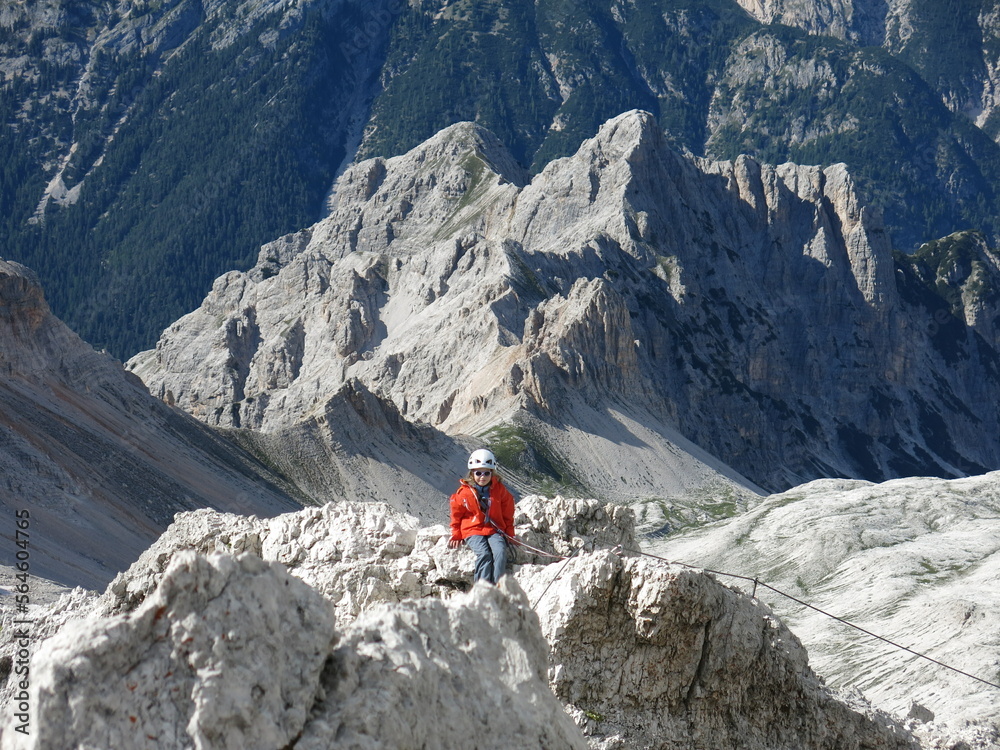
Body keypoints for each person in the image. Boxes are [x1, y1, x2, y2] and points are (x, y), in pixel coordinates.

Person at [448, 448, 516, 584]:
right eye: (478, 473)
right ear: (472, 474)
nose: (482, 477)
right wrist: (456, 533)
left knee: (500, 552)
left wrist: (509, 533)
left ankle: (498, 587)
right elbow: (456, 514)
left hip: (493, 528)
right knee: (484, 554)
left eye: (486, 473)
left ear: (492, 473)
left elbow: (508, 511)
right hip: (472, 529)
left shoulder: (500, 490)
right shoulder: (464, 493)